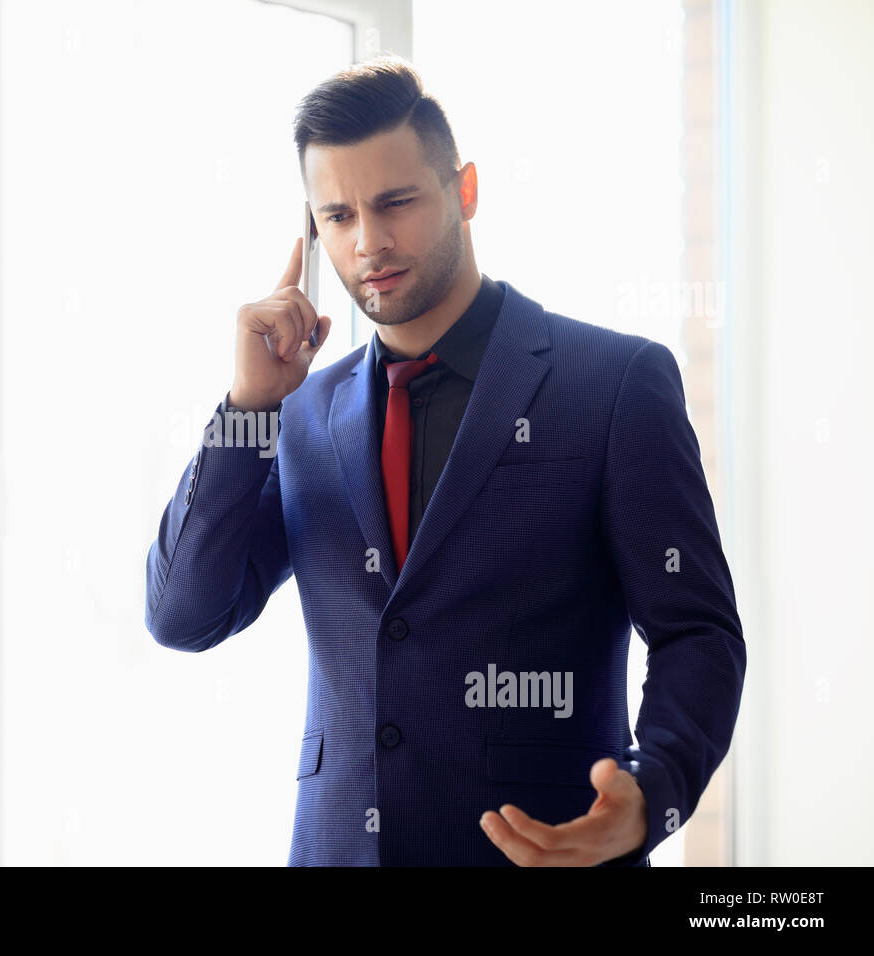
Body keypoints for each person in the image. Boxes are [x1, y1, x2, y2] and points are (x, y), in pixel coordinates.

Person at [144, 54, 745, 866]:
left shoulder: (613, 384)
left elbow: (698, 632)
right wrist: (248, 411)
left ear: (464, 191)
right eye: (339, 217)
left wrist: (649, 793)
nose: (370, 243)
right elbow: (184, 616)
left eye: (396, 202)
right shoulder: (304, 413)